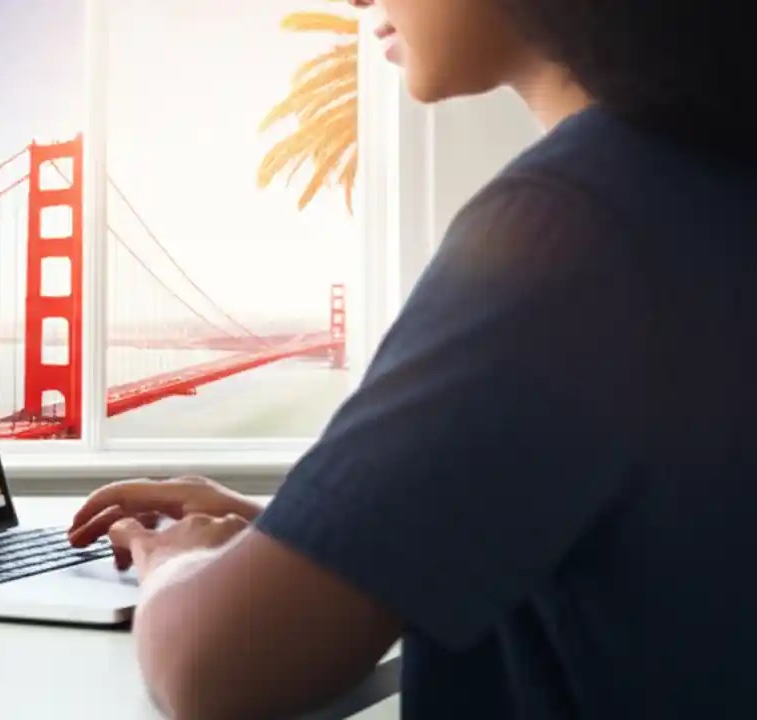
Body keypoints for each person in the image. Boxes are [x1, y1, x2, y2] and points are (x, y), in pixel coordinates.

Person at [67, 0, 755, 717]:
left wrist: (175, 561)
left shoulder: (571, 226)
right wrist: (306, 532)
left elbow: (211, 667)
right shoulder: (703, 176)